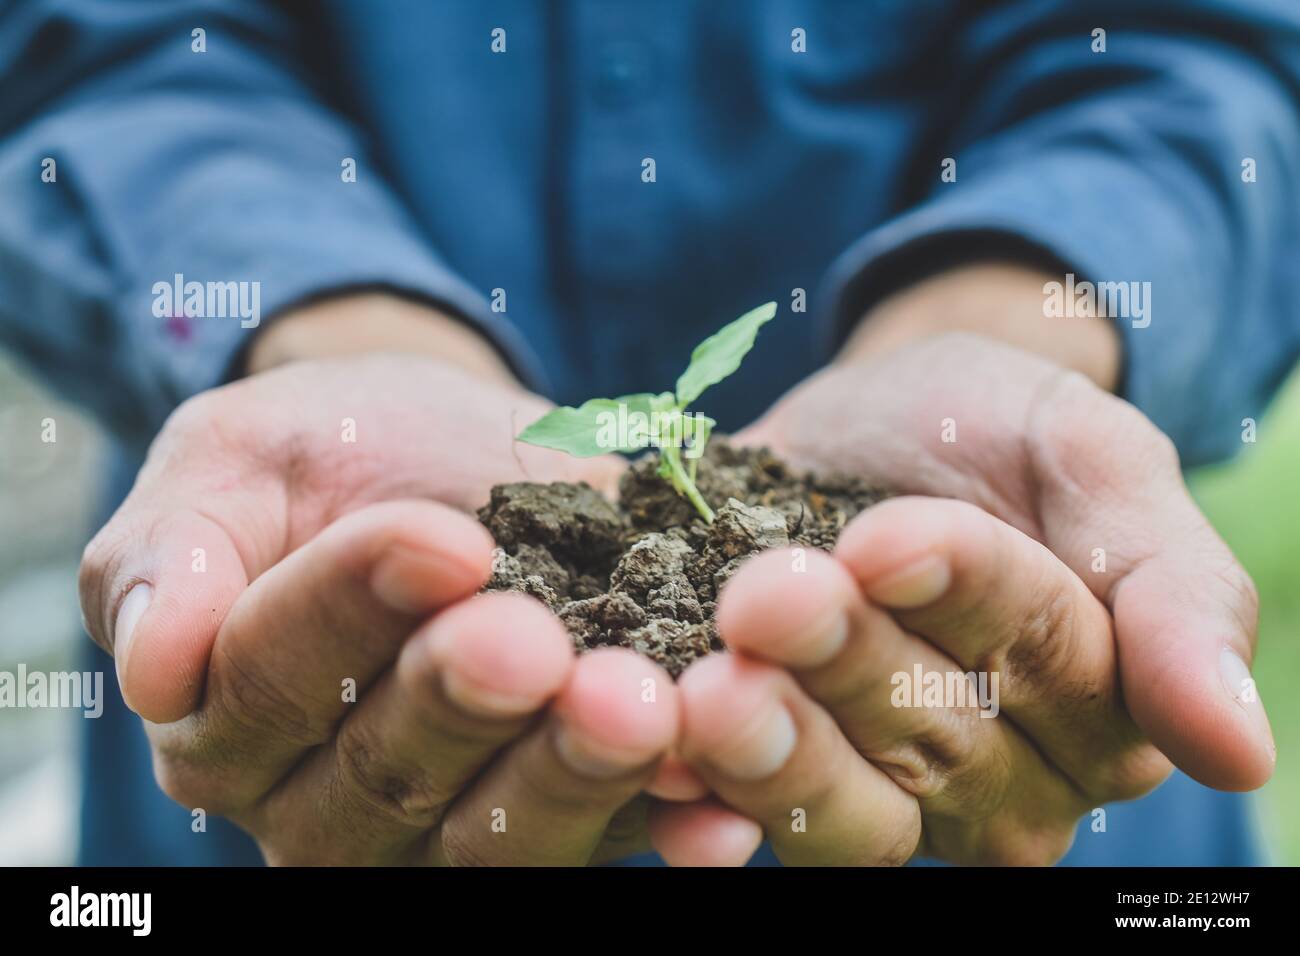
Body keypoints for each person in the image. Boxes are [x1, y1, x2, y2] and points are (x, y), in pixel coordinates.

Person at [0, 0, 1295, 866]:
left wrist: (1012, 327)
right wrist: (329, 334)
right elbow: (113, 47)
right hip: (306, 732)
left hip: (1011, 748)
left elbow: (1205, 52)